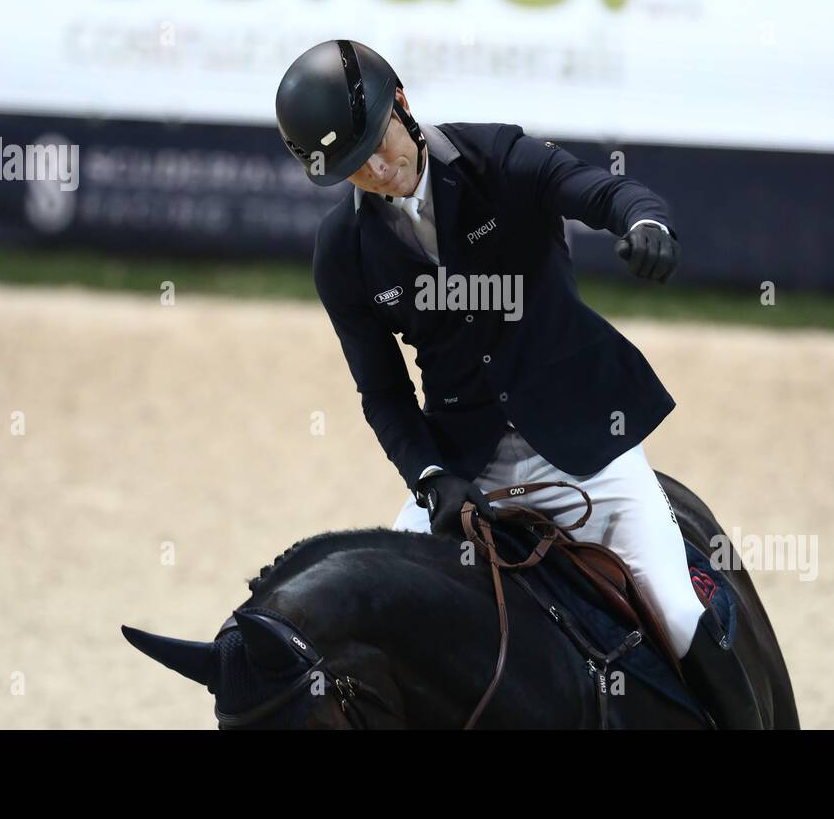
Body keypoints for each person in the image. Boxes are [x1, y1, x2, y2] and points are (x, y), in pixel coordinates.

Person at [277, 39, 759, 727]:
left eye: (378, 145)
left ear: (403, 105)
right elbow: (382, 394)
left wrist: (645, 222)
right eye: (355, 169)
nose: (379, 170)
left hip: (586, 445)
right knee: (384, 624)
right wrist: (431, 473)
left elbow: (604, 191)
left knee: (679, 612)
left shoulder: (494, 159)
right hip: (466, 468)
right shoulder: (343, 251)